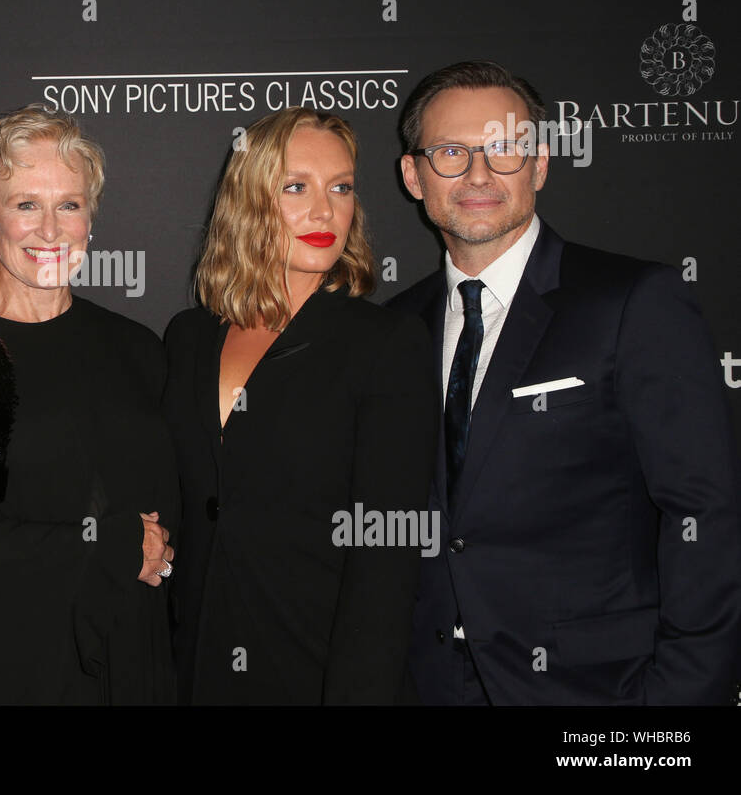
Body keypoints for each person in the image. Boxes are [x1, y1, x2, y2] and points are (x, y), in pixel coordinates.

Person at [388, 59, 741, 705]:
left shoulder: (633, 302)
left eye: (504, 149)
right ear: (413, 176)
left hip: (598, 697)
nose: (478, 174)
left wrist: (675, 705)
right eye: (450, 152)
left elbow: (707, 516)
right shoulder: (392, 328)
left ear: (540, 165)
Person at [0, 105, 177, 704]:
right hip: (7, 663)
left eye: (68, 204)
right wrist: (112, 549)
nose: (51, 230)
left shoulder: (137, 347)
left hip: (127, 655)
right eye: (25, 205)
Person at [164, 107, 440, 704]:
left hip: (320, 670)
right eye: (297, 187)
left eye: (341, 188)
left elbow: (387, 553)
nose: (325, 211)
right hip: (198, 667)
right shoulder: (188, 337)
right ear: (247, 199)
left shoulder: (384, 344)